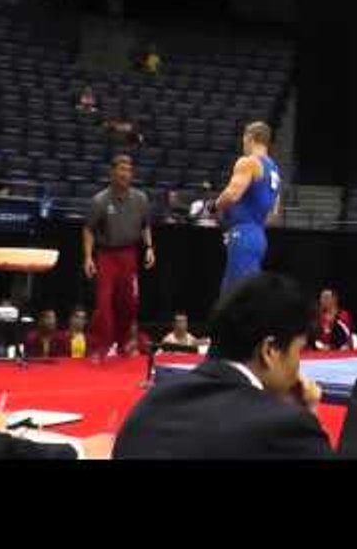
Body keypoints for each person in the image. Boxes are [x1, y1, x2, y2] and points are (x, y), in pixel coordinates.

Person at [113, 273, 333, 459]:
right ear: (270, 350)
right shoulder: (286, 427)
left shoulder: (153, 400)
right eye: (299, 351)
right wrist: (308, 414)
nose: (298, 366)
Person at [83, 155, 156, 362]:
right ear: (112, 173)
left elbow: (145, 226)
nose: (126, 173)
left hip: (129, 255)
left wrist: (150, 247)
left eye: (129, 170)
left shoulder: (140, 198)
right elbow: (88, 230)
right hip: (106, 256)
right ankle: (99, 347)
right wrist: (88, 257)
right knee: (104, 304)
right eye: (121, 169)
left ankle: (124, 342)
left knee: (130, 303)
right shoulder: (100, 200)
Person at [209, 121, 281, 293]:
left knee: (240, 296)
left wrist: (213, 207)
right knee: (230, 295)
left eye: (244, 138)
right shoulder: (275, 171)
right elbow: (274, 213)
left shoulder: (249, 162)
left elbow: (232, 194)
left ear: (250, 137)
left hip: (243, 235)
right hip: (258, 236)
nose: (243, 142)